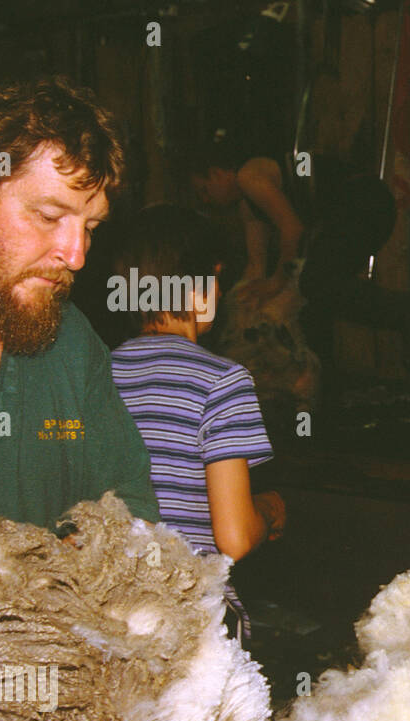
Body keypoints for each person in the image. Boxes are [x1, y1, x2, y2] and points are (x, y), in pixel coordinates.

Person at [0, 76, 159, 529]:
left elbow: (128, 506)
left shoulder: (69, 337)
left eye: (91, 227)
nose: (77, 256)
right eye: (49, 216)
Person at [109, 204, 285, 636]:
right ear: (197, 288)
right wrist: (270, 511)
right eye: (218, 279)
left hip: (107, 611)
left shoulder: (96, 372)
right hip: (190, 621)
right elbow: (235, 538)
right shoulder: (222, 382)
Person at [189, 141, 305, 308]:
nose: (206, 200)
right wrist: (235, 302)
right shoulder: (246, 205)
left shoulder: (248, 177)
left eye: (204, 190)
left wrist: (276, 283)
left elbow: (293, 231)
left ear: (216, 174)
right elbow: (256, 266)